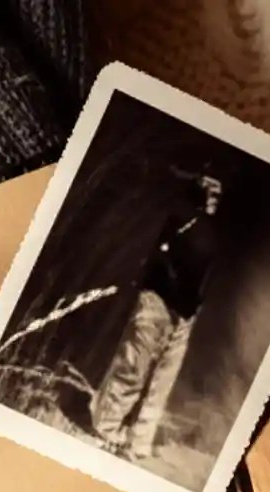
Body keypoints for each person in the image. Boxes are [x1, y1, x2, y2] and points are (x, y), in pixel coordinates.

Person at [91, 164, 223, 460]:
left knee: (163, 380)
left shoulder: (211, 231)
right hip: (158, 301)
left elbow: (202, 273)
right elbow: (158, 258)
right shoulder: (178, 215)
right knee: (133, 369)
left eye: (218, 191)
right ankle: (106, 429)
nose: (215, 196)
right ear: (199, 188)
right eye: (210, 189)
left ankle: (138, 443)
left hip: (185, 313)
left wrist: (192, 308)